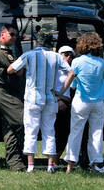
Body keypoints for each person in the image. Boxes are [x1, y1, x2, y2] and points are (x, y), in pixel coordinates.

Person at [60, 32, 104, 174]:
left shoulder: (77, 62)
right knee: (96, 133)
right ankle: (96, 163)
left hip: (81, 101)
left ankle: (70, 165)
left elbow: (73, 84)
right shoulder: (102, 63)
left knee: (75, 132)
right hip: (98, 103)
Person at [7, 36, 65, 172]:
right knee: (49, 131)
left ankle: (31, 166)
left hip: (32, 99)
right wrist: (60, 91)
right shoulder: (56, 57)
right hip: (50, 99)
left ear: (37, 43)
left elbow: (10, 69)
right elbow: (71, 72)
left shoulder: (29, 55)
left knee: (31, 131)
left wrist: (23, 69)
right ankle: (50, 166)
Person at [0, 24, 27, 171]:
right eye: (12, 34)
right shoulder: (0, 52)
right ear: (2, 34)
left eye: (16, 35)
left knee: (10, 128)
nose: (15, 37)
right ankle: (17, 159)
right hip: (5, 93)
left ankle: (16, 162)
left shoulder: (5, 50)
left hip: (8, 92)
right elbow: (18, 72)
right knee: (22, 121)